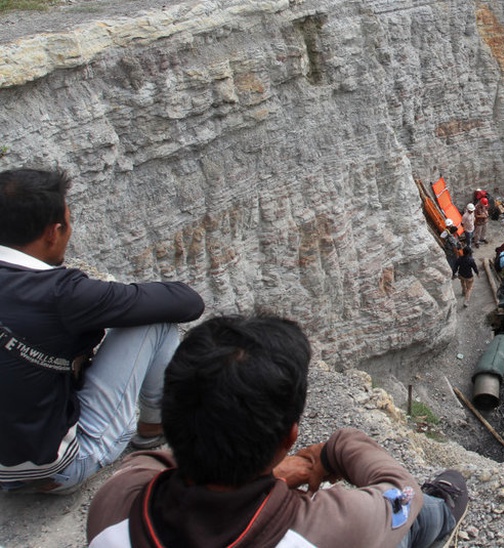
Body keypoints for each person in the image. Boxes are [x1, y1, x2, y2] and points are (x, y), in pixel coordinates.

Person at [86, 315, 468, 547]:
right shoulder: (329, 529)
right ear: (290, 436)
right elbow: (401, 492)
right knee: (411, 522)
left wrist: (272, 474)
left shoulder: (117, 499)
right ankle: (442, 518)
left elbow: (149, 462)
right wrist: (333, 448)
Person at [0, 168, 205, 494]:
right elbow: (187, 302)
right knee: (155, 320)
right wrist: (111, 295)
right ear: (53, 232)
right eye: (68, 222)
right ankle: (154, 426)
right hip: (55, 470)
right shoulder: (61, 293)